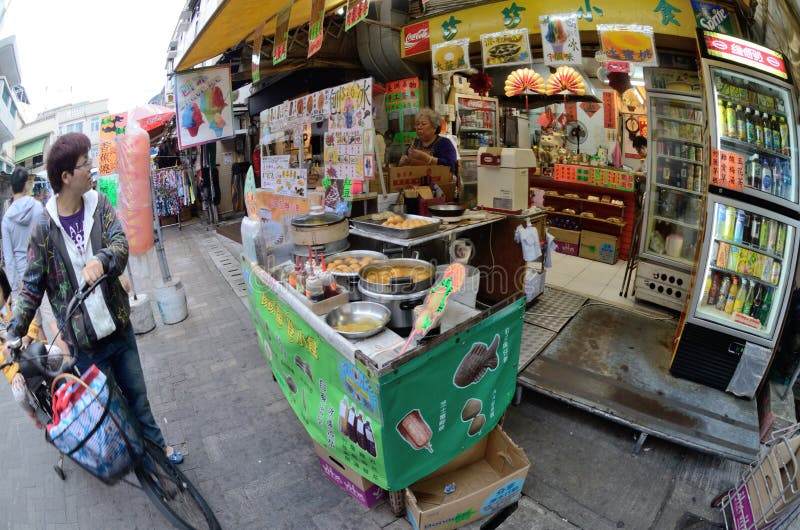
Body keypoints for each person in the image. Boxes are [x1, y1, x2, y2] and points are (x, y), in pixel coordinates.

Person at [2, 132, 184, 464]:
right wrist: (15, 330)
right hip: (86, 342)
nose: (90, 168)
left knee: (138, 398)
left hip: (118, 323)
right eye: (84, 163)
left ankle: (159, 450)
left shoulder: (99, 203)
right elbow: (31, 286)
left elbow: (120, 243)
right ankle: (137, 460)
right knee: (112, 409)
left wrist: (103, 259)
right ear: (66, 177)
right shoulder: (44, 228)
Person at [2, 167, 43, 301]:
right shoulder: (38, 208)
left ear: (11, 188)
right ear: (26, 186)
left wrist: (14, 291)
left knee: (28, 320)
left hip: (22, 279)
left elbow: (9, 259)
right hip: (41, 272)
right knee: (50, 320)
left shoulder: (7, 219)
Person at [399, 108, 459, 175]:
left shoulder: (444, 143)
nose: (419, 127)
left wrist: (428, 159)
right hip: (416, 182)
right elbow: (404, 166)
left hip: (438, 183)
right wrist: (403, 162)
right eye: (417, 124)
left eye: (423, 124)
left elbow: (452, 165)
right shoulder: (415, 143)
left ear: (434, 127)